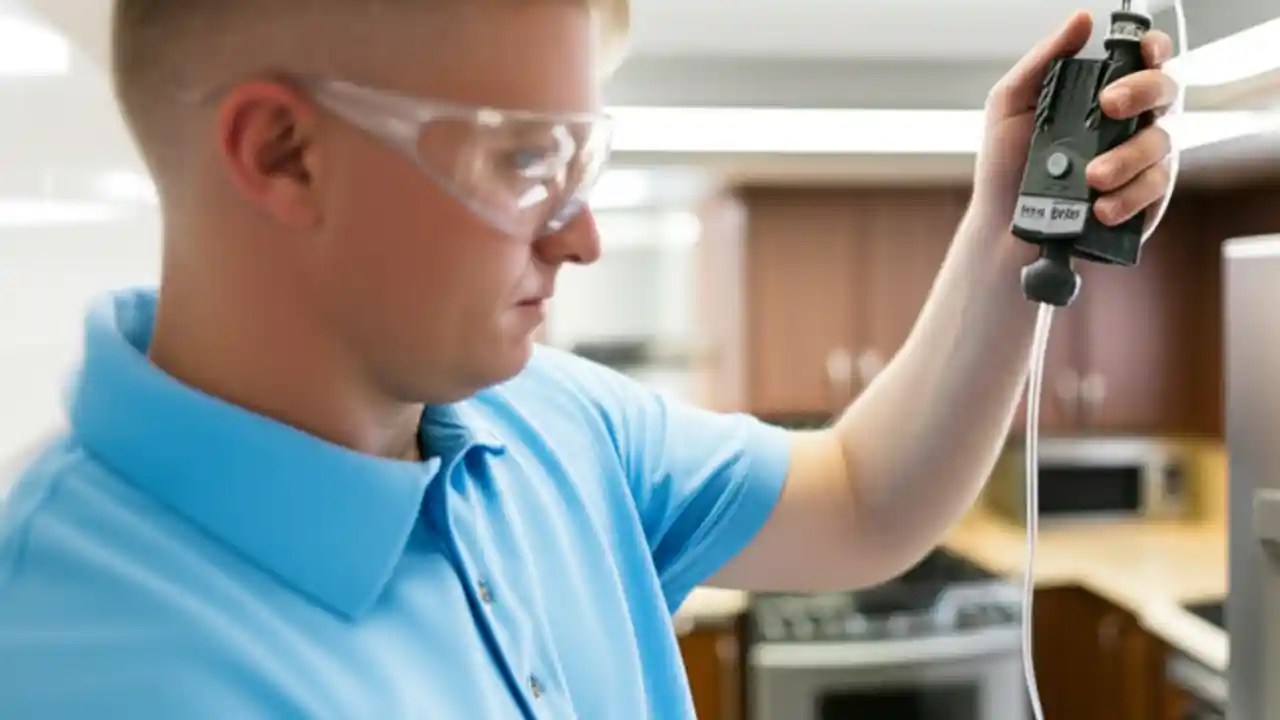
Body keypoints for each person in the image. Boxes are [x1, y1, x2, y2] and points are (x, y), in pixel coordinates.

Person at [0, 1, 1179, 717]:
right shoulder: (81, 662)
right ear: (283, 151)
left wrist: (1011, 228)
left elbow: (863, 498)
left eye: (582, 165)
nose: (581, 236)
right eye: (524, 162)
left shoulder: (544, 418)